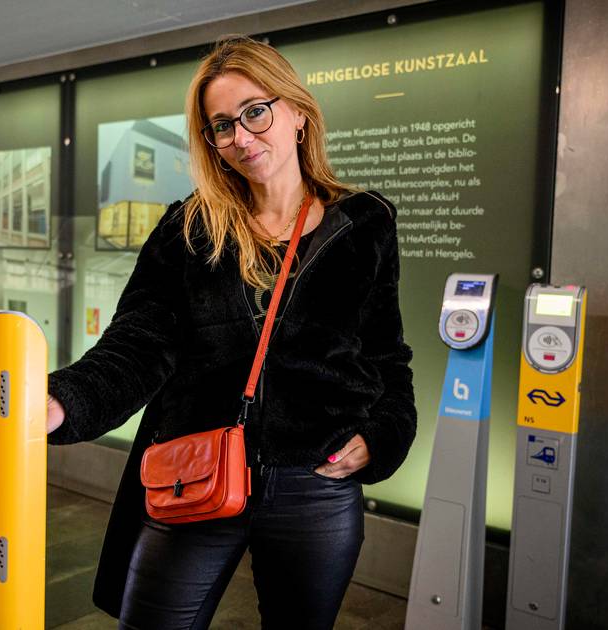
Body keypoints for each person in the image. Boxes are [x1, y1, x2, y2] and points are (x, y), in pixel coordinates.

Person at [46, 35, 416, 629]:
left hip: (315, 484)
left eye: (254, 112)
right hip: (196, 472)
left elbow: (385, 355)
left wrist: (384, 435)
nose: (241, 137)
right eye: (222, 126)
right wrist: (64, 401)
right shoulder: (189, 228)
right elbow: (139, 342)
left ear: (297, 112)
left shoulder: (365, 223)